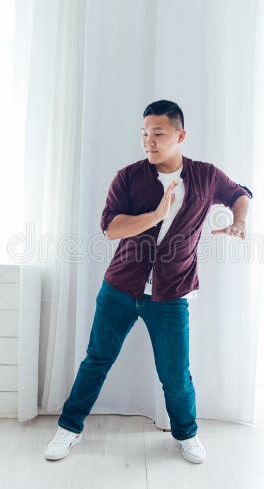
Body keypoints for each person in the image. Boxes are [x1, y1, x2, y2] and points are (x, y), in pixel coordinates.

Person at [44, 99, 252, 464]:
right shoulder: (127, 177)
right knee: (96, 360)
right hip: (120, 288)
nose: (148, 142)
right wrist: (156, 215)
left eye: (157, 134)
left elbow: (239, 193)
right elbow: (110, 228)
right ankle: (69, 428)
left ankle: (186, 435)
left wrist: (240, 221)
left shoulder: (205, 175)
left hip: (171, 295)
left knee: (175, 375)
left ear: (180, 135)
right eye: (144, 134)